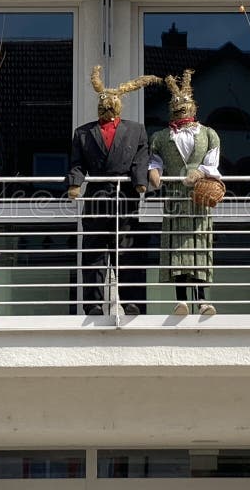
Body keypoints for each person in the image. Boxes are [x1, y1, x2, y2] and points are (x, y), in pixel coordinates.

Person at [66, 65, 161, 315]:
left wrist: (140, 180)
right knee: (94, 250)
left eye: (112, 102)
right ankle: (94, 304)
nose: (108, 106)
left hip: (125, 195)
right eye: (104, 102)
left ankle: (132, 302)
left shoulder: (135, 129)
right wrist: (75, 183)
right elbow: (77, 162)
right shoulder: (84, 133)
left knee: (128, 250)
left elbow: (142, 156)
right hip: (97, 194)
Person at [148, 69, 220, 316]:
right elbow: (154, 161)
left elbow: (213, 164)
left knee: (199, 247)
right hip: (175, 199)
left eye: (185, 104)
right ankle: (181, 301)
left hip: (199, 199)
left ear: (194, 107)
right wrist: (154, 172)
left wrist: (200, 172)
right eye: (176, 105)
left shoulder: (209, 134)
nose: (181, 108)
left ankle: (203, 301)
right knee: (179, 250)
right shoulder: (159, 137)